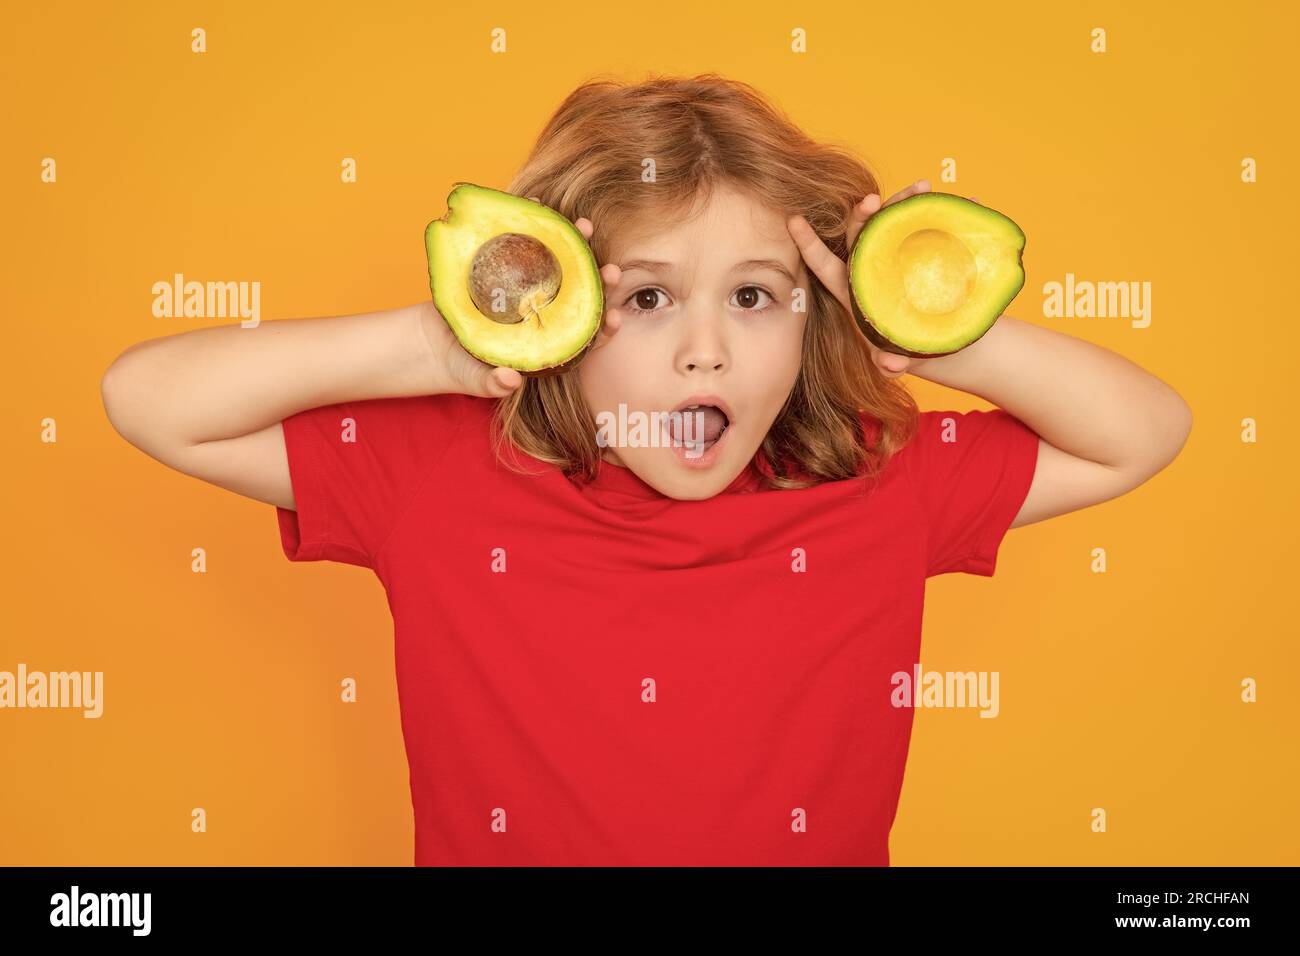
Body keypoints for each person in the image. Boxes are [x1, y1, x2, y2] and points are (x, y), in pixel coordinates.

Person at [100, 73, 1192, 865]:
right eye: (647, 297)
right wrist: (428, 346)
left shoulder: (878, 480)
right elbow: (148, 400)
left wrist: (940, 332)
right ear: (552, 309)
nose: (703, 349)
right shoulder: (437, 471)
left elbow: (1141, 429)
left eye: (754, 296)